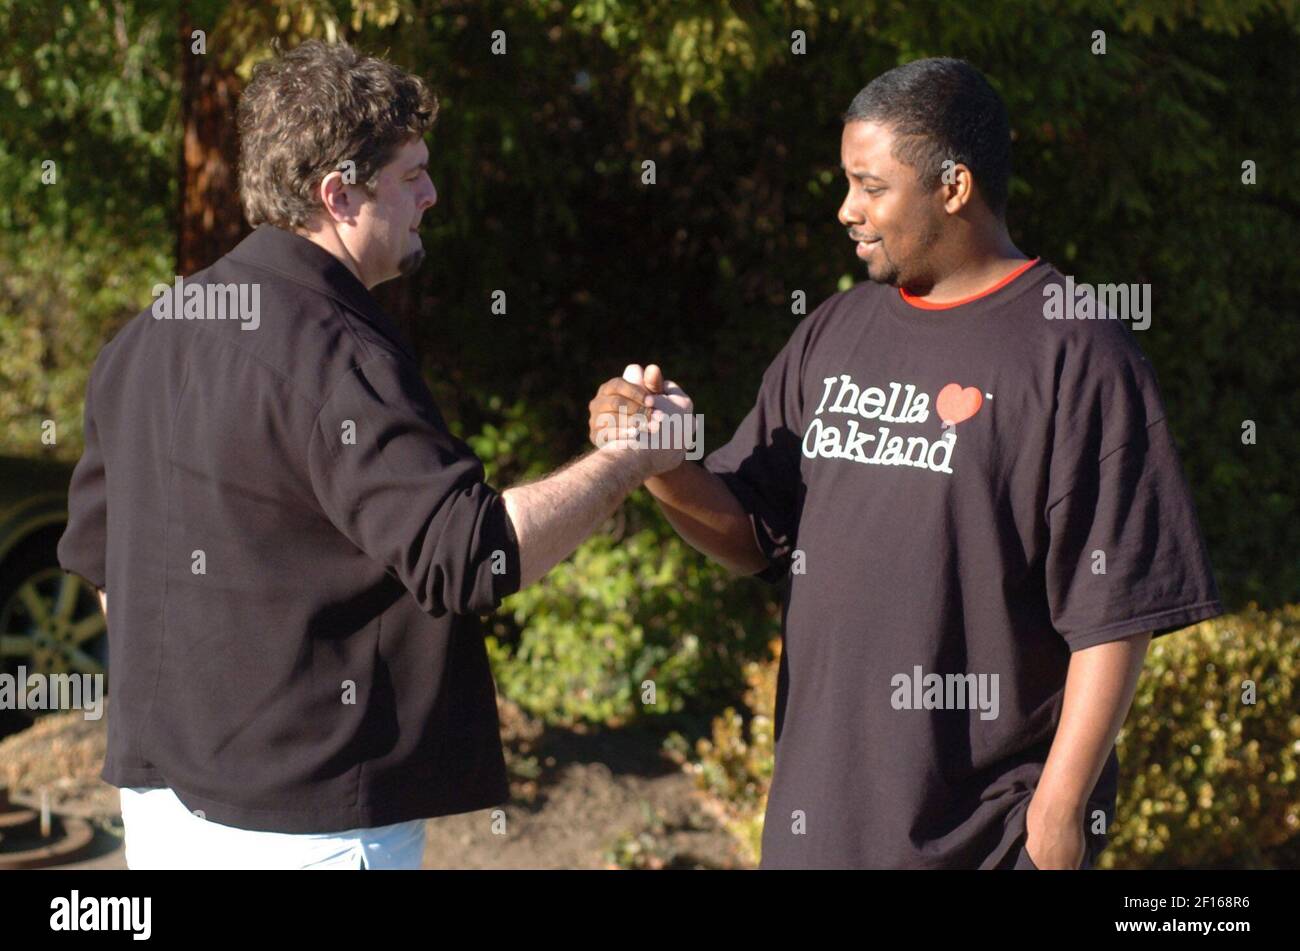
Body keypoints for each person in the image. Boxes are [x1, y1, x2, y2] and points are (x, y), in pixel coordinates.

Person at [57, 39, 682, 869]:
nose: (431, 194)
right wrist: (628, 461)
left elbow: (107, 574)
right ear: (336, 194)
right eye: (412, 174)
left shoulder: (144, 339)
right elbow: (473, 554)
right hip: (309, 831)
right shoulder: (335, 351)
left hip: (163, 813)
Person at [588, 58, 1224, 869]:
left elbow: (1116, 609)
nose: (847, 210)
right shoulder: (835, 331)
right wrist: (661, 464)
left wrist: (1061, 812)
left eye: (870, 186)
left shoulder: (1077, 351)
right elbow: (753, 532)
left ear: (953, 187)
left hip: (987, 834)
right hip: (820, 824)